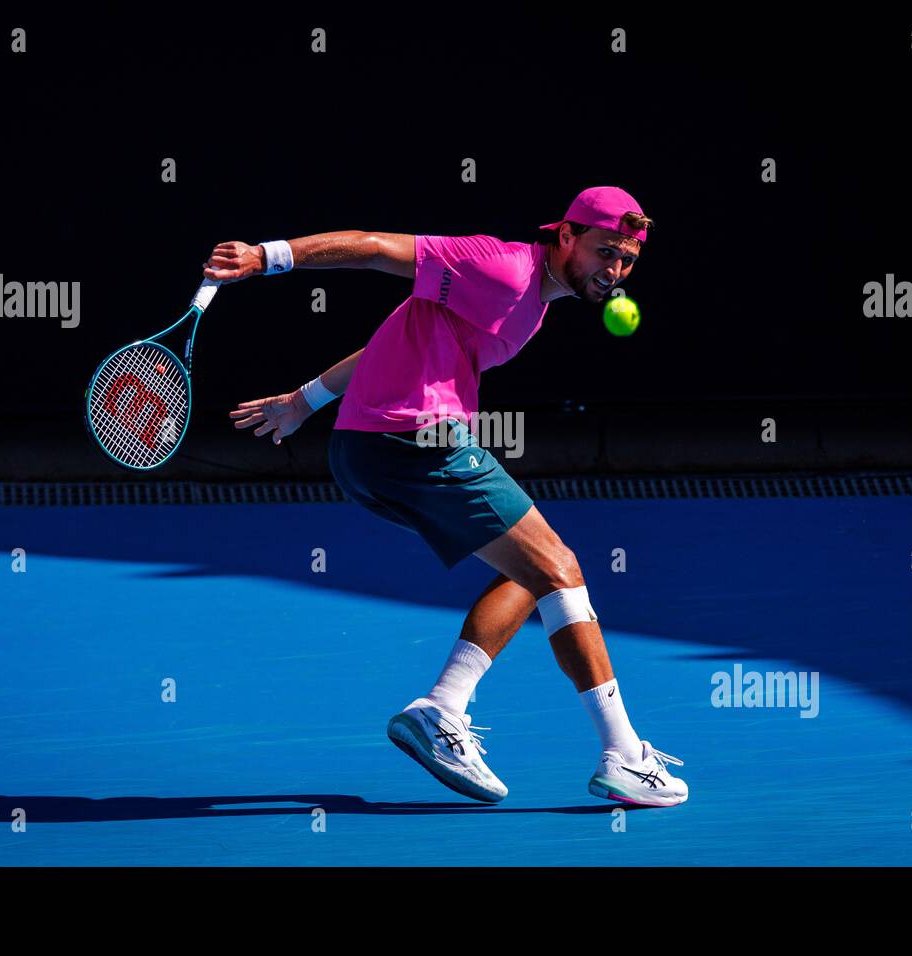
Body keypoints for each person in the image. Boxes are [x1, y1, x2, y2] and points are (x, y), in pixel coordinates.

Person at [204, 186, 687, 807]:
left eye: (625, 260)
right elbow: (377, 248)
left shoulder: (532, 303)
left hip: (367, 452)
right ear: (566, 236)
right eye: (604, 252)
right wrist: (268, 256)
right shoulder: (502, 268)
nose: (614, 271)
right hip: (415, 439)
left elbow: (397, 337)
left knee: (533, 574)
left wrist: (305, 401)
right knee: (562, 570)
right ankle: (624, 755)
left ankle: (443, 708)